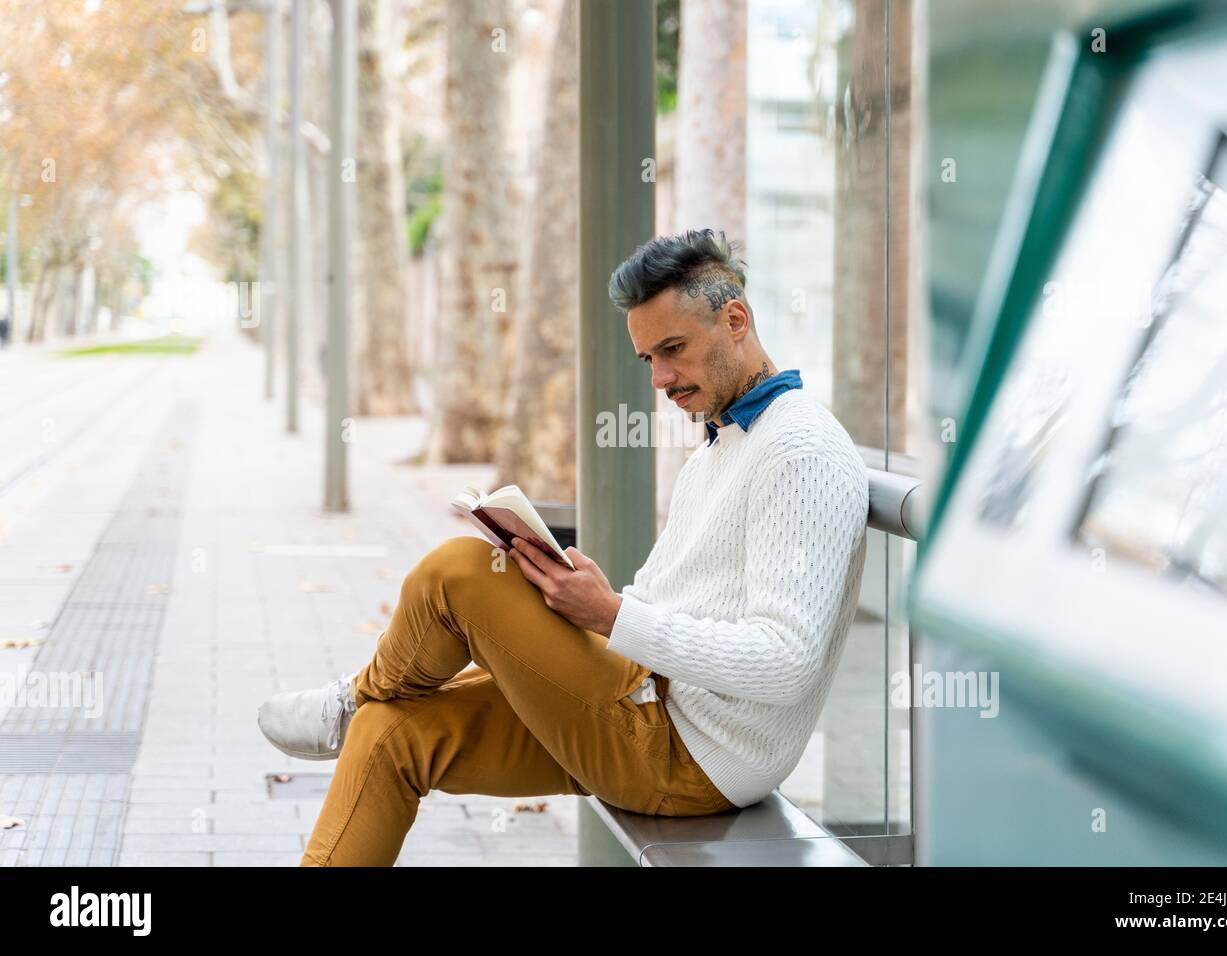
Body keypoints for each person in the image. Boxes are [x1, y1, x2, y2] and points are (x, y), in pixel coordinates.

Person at [258, 227, 872, 866]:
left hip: (691, 756)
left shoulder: (799, 453)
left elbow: (786, 662)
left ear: (735, 319)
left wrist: (610, 615)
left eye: (673, 349)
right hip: (642, 702)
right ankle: (364, 705)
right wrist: (595, 598)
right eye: (649, 360)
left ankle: (356, 692)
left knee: (461, 569)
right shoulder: (725, 443)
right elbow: (679, 602)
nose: (661, 378)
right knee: (388, 732)